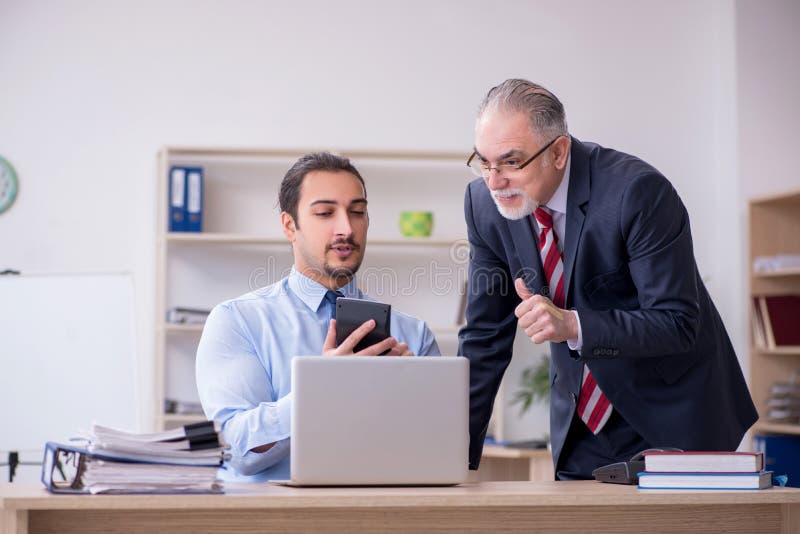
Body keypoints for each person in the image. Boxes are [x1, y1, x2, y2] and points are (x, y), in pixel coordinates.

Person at [458, 79, 757, 480]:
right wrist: (454, 454)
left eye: (511, 162)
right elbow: (484, 336)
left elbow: (677, 322)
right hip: (582, 421)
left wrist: (572, 324)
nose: (494, 181)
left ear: (559, 152)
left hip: (672, 415)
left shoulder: (637, 192)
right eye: (484, 162)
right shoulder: (485, 205)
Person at [196, 152, 440, 481]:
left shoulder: (414, 335)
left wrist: (406, 399)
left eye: (358, 212)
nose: (346, 228)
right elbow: (237, 451)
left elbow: (438, 459)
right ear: (289, 226)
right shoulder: (236, 321)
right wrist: (324, 389)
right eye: (325, 213)